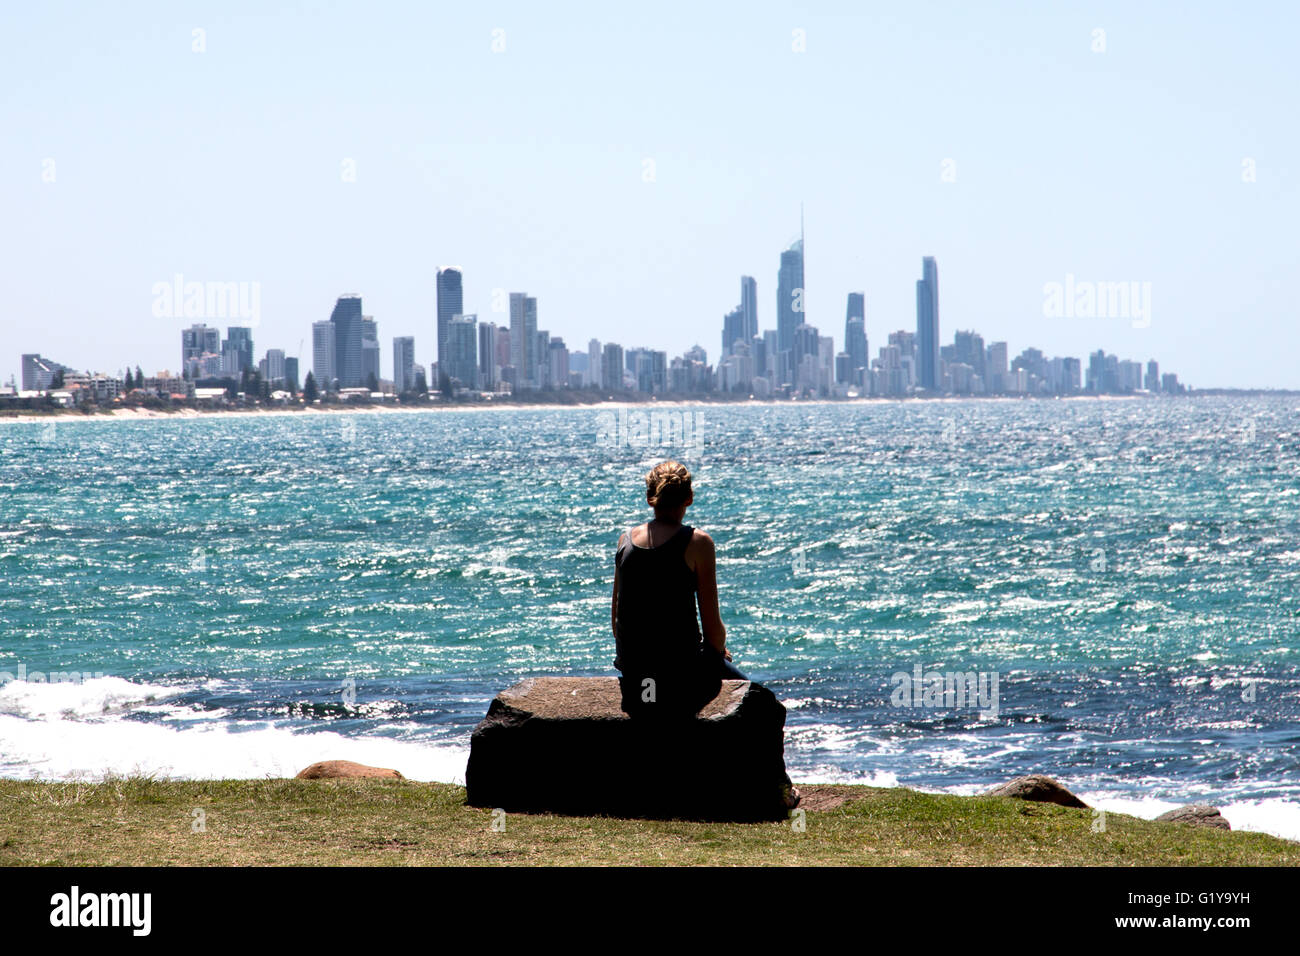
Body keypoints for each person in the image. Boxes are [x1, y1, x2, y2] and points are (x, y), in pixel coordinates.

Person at [611, 460, 746, 718]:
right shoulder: (698, 542)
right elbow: (713, 630)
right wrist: (717, 653)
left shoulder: (624, 540)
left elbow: (616, 619)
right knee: (760, 703)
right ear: (690, 498)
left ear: (651, 498)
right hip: (680, 670)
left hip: (634, 669)